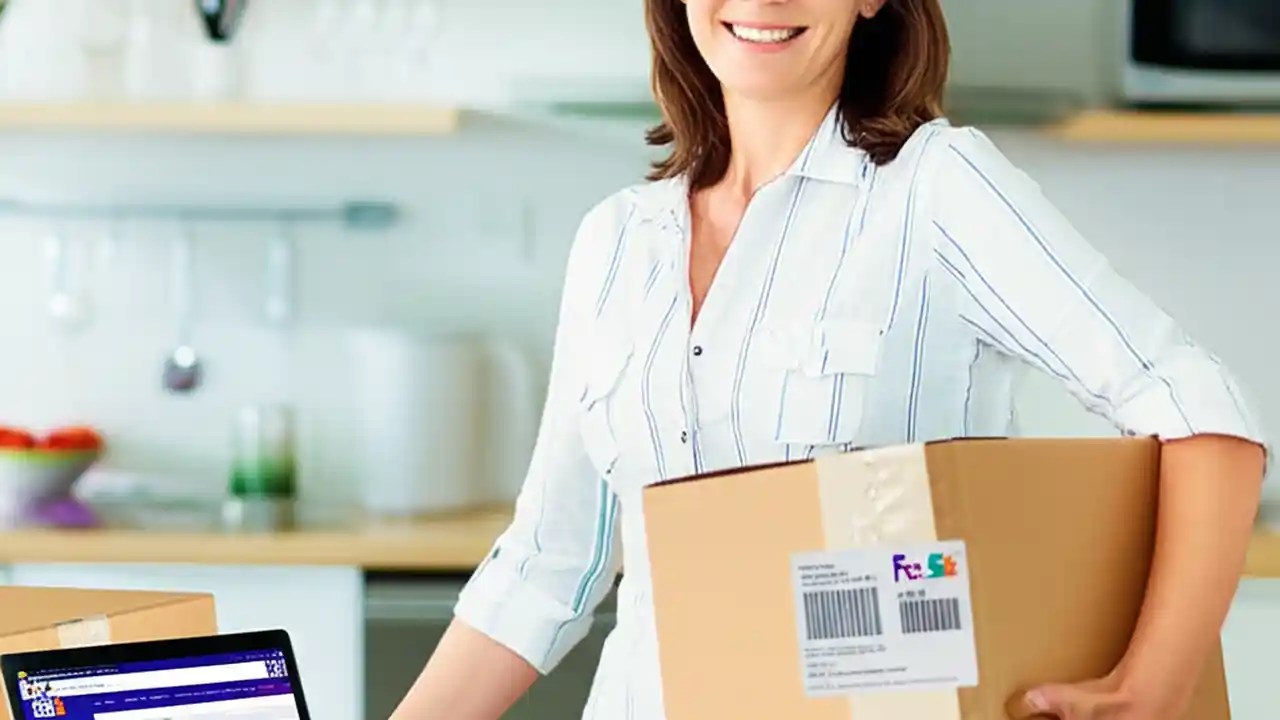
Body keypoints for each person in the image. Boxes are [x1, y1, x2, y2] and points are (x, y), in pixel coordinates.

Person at [392, 1, 1268, 718]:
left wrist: (1153, 686)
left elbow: (1198, 406)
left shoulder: (937, 190)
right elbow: (547, 567)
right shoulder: (617, 241)